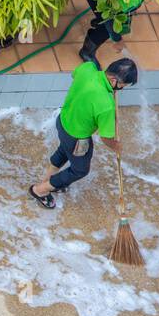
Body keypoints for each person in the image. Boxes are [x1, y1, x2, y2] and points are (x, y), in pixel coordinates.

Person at [27, 57, 138, 209]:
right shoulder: (106, 105)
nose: (121, 89)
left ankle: (48, 179)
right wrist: (116, 146)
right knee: (80, 170)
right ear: (113, 80)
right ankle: (40, 190)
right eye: (122, 86)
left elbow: (75, 75)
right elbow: (105, 137)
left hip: (63, 121)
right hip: (77, 138)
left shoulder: (88, 68)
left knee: (64, 150)